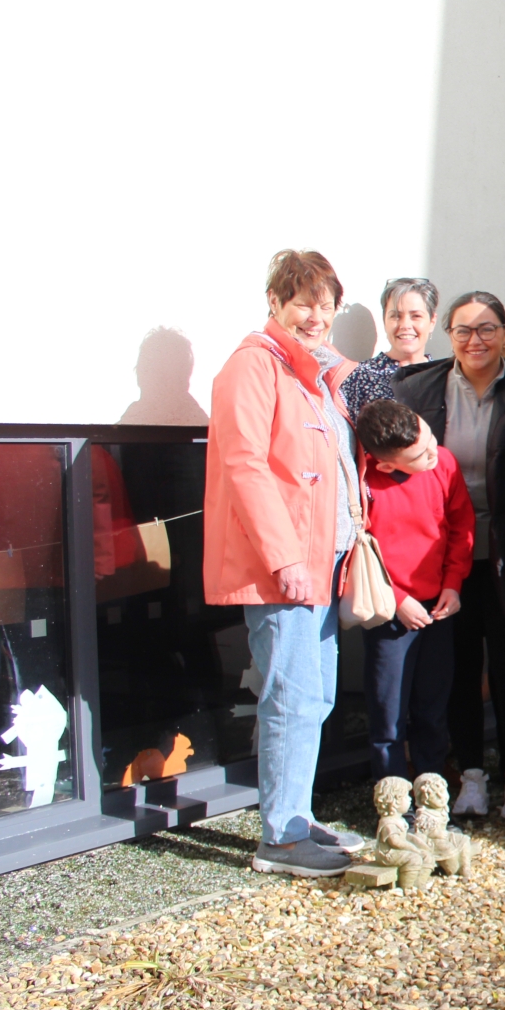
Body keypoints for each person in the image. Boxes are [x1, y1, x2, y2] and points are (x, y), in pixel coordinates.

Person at [204, 249, 367, 877]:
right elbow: (244, 467)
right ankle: (280, 836)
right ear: (274, 302)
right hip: (286, 570)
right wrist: (285, 559)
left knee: (315, 696)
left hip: (321, 564)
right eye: (303, 304)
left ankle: (296, 815)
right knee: (291, 697)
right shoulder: (253, 366)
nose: (315, 317)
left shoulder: (310, 373)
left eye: (325, 306)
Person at [392, 291, 505, 819]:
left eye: (487, 329)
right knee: (457, 668)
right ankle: (470, 775)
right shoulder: (419, 389)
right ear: (449, 335)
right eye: (463, 330)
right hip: (444, 557)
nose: (475, 340)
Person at [352, 400, 472, 781]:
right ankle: (392, 797)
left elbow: (461, 527)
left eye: (430, 439)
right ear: (386, 465)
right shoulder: (363, 481)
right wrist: (398, 599)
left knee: (432, 706)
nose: (433, 453)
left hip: (437, 605)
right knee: (388, 713)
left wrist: (453, 584)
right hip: (389, 611)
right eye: (420, 455)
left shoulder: (444, 463)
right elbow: (358, 548)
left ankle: (430, 789)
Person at [342, 278, 439, 419]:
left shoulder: (446, 378)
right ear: (384, 320)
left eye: (416, 316)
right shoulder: (360, 377)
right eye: (396, 316)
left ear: (432, 322)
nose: (405, 325)